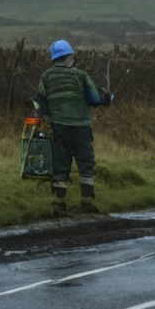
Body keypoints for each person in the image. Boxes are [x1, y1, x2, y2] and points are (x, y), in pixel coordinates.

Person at [32, 39, 114, 215]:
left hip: (59, 127)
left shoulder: (46, 77)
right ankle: (86, 203)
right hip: (81, 127)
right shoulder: (80, 76)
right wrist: (106, 99)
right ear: (69, 57)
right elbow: (94, 98)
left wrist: (42, 118)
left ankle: (59, 204)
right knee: (85, 162)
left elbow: (39, 102)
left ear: (54, 58)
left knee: (60, 163)